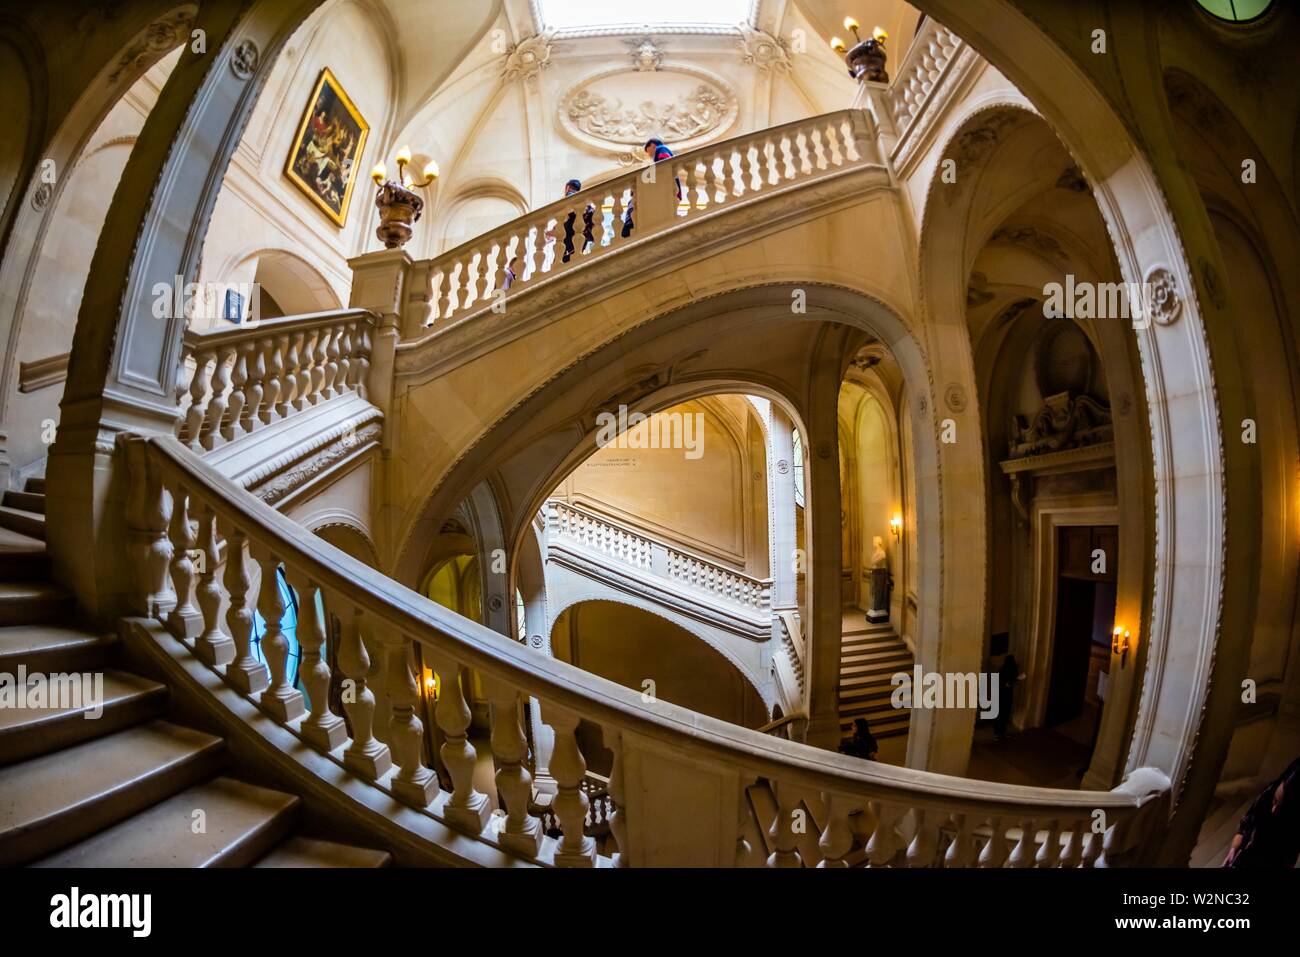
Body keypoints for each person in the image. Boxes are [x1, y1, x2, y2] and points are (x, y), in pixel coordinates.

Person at [1224, 756, 1300, 868]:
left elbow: (1289, 858)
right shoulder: (1269, 793)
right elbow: (1246, 824)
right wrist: (1233, 849)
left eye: (1282, 808)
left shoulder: (1293, 830)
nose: (1274, 810)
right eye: (1275, 801)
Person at [621, 138, 681, 238]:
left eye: (647, 151)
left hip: (668, 187)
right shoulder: (660, 152)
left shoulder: (661, 149)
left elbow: (664, 163)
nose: (648, 154)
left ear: (652, 146)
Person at [560, 178, 595, 263]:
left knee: (564, 262)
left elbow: (565, 218)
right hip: (581, 238)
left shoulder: (570, 195)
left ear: (568, 187)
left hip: (570, 237)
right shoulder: (586, 203)